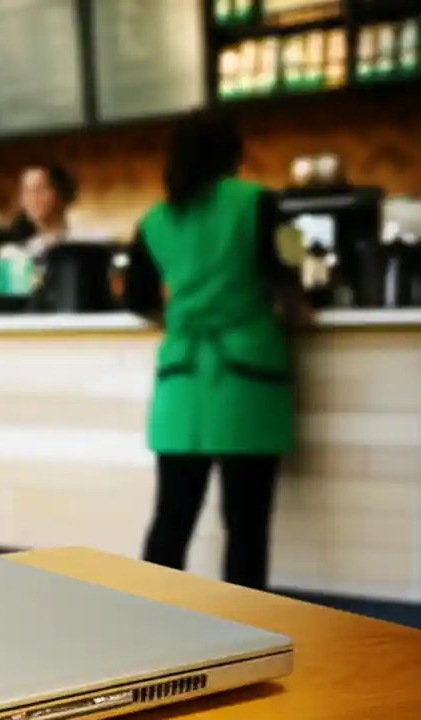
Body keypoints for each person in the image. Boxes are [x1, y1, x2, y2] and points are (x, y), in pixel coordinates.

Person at [123, 111, 307, 590]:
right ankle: (243, 635)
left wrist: (180, 317)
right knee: (245, 525)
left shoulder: (154, 220)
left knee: (171, 519)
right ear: (234, 153)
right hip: (246, 378)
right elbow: (295, 268)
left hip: (182, 381)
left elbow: (135, 298)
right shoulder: (260, 202)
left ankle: (147, 619)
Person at [6, 164, 78, 254]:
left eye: (40, 189)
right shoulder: (20, 250)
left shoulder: (81, 239)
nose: (33, 198)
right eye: (27, 191)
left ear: (61, 193)